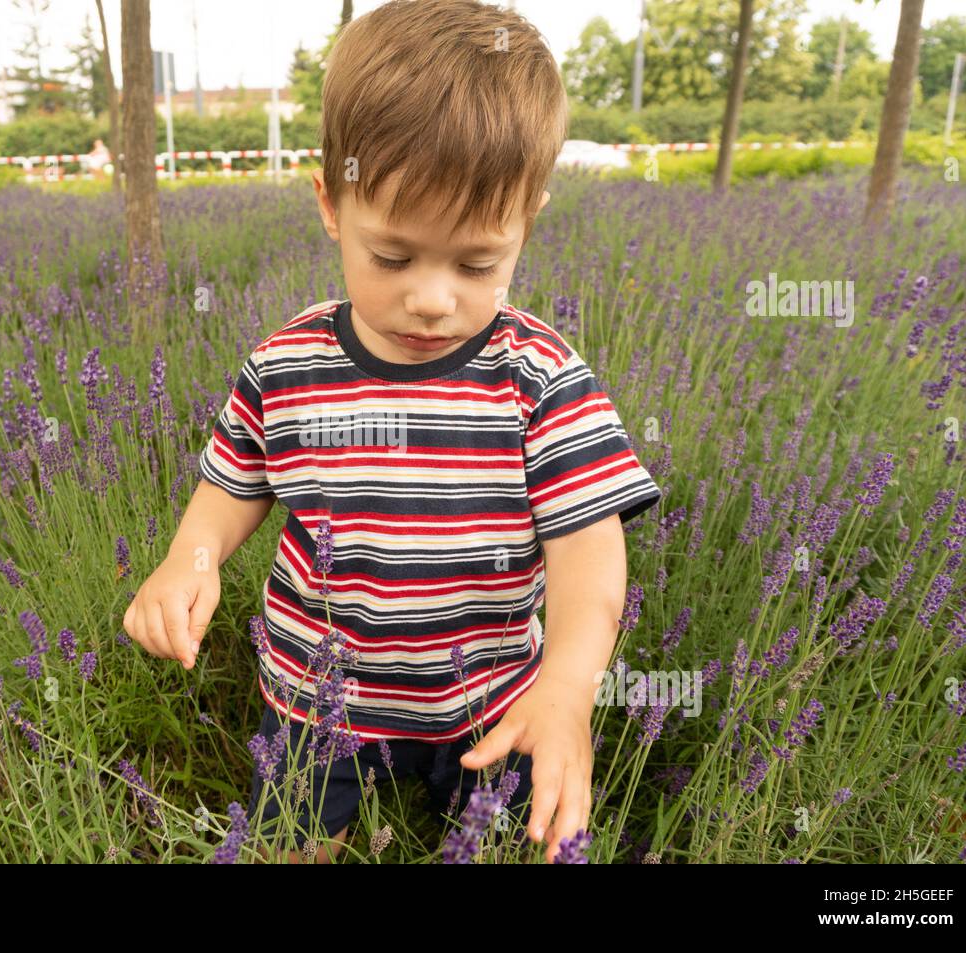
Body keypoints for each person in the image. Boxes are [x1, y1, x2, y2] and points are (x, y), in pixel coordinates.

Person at [122, 0, 661, 864]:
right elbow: (234, 483)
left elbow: (589, 551)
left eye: (478, 263)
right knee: (285, 848)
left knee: (540, 843)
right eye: (395, 256)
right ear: (331, 203)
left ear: (529, 220)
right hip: (315, 694)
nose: (433, 298)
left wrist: (565, 684)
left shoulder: (541, 378)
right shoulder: (286, 362)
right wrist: (189, 562)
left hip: (492, 699)